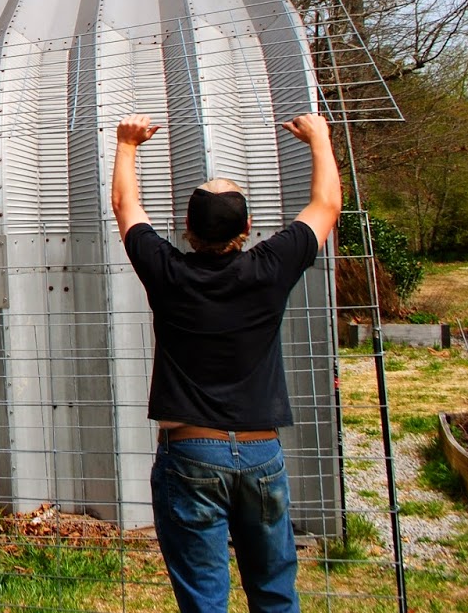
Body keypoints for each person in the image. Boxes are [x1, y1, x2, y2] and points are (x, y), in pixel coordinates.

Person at [110, 112, 341, 613]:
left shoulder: (167, 271)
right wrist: (319, 138)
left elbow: (126, 206)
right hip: (262, 453)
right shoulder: (271, 267)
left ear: (187, 228)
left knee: (205, 600)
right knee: (276, 593)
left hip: (191, 452)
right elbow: (327, 204)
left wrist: (127, 144)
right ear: (249, 226)